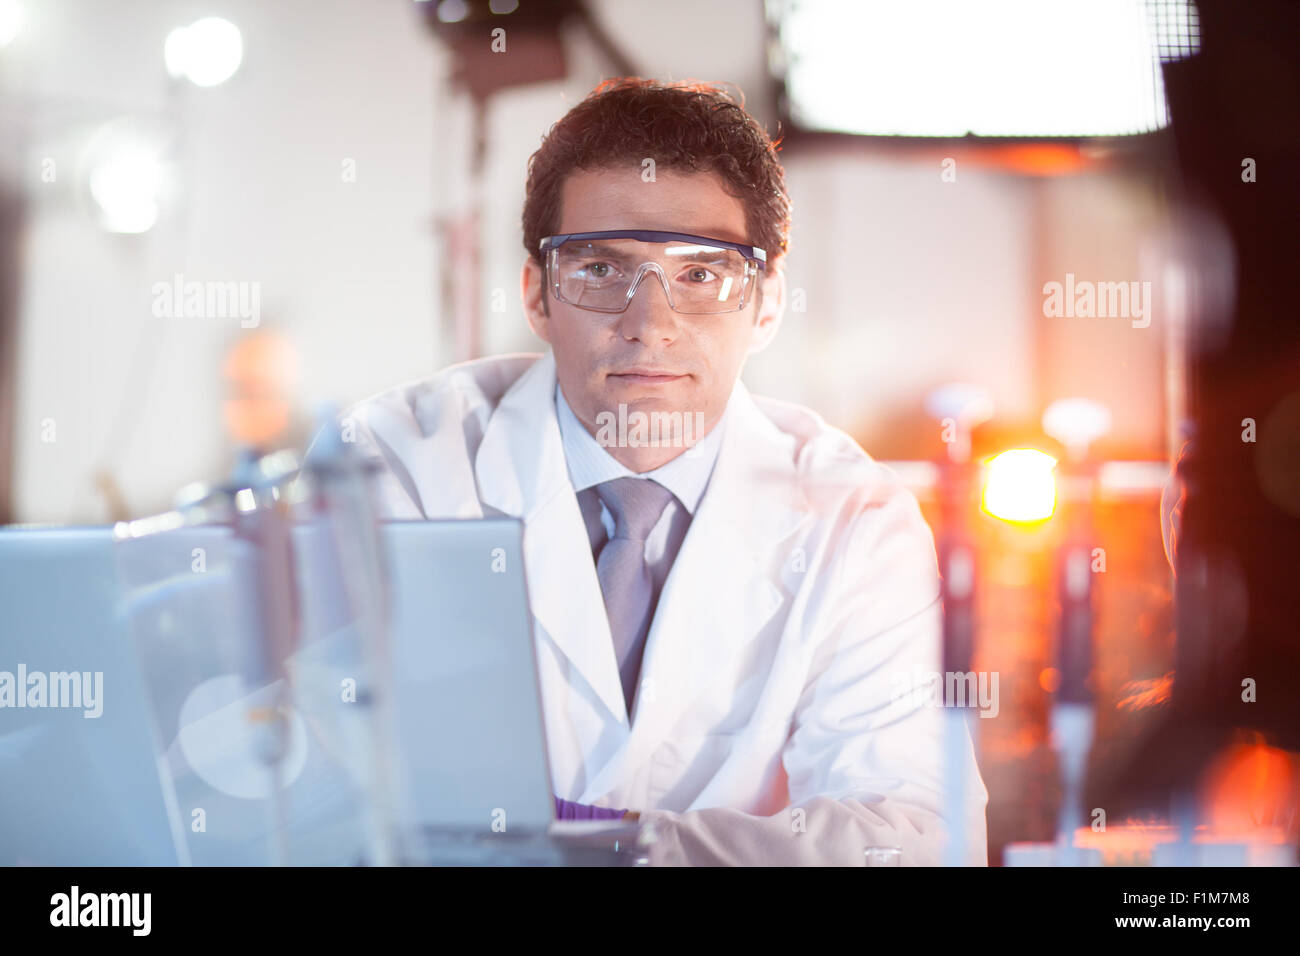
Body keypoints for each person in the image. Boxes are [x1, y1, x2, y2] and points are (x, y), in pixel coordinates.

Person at [330, 77, 988, 865]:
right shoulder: (397, 466)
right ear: (538, 294)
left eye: (701, 274)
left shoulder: (855, 521)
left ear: (767, 303)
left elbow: (918, 834)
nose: (651, 325)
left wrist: (606, 850)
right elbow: (325, 795)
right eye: (601, 270)